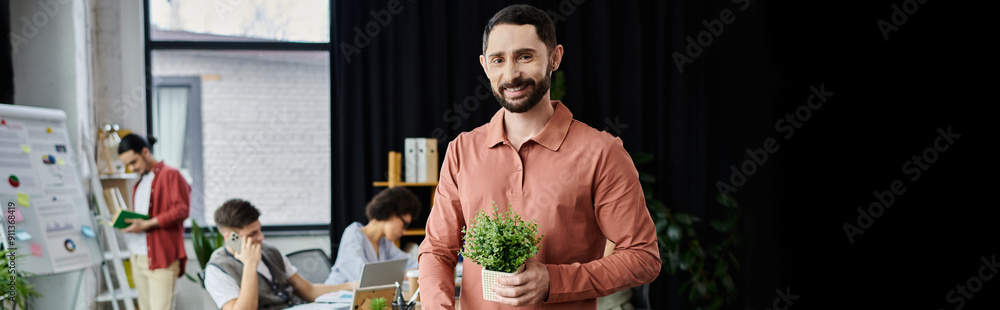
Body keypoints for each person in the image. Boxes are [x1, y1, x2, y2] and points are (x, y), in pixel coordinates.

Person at [417, 4, 661, 309]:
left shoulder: (602, 152)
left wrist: (554, 281)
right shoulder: (461, 151)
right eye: (498, 60)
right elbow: (437, 251)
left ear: (555, 57)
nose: (511, 74)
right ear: (485, 66)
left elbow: (643, 257)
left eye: (525, 56)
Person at [204, 199, 356, 310]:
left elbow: (309, 291)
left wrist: (351, 286)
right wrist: (250, 265)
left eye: (260, 230)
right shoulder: (217, 269)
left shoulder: (270, 251)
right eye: (253, 234)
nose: (261, 237)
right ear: (231, 238)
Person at [117, 134, 190, 310]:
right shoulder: (140, 182)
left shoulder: (171, 175)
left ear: (145, 152)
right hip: (138, 255)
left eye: (133, 162)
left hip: (161, 257)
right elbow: (146, 214)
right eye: (128, 165)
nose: (132, 168)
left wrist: (146, 225)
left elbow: (181, 210)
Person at [324, 186, 422, 286]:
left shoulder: (384, 243)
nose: (404, 232)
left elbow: (414, 265)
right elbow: (364, 278)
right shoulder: (353, 235)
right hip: (335, 297)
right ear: (391, 213)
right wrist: (403, 275)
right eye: (404, 225)